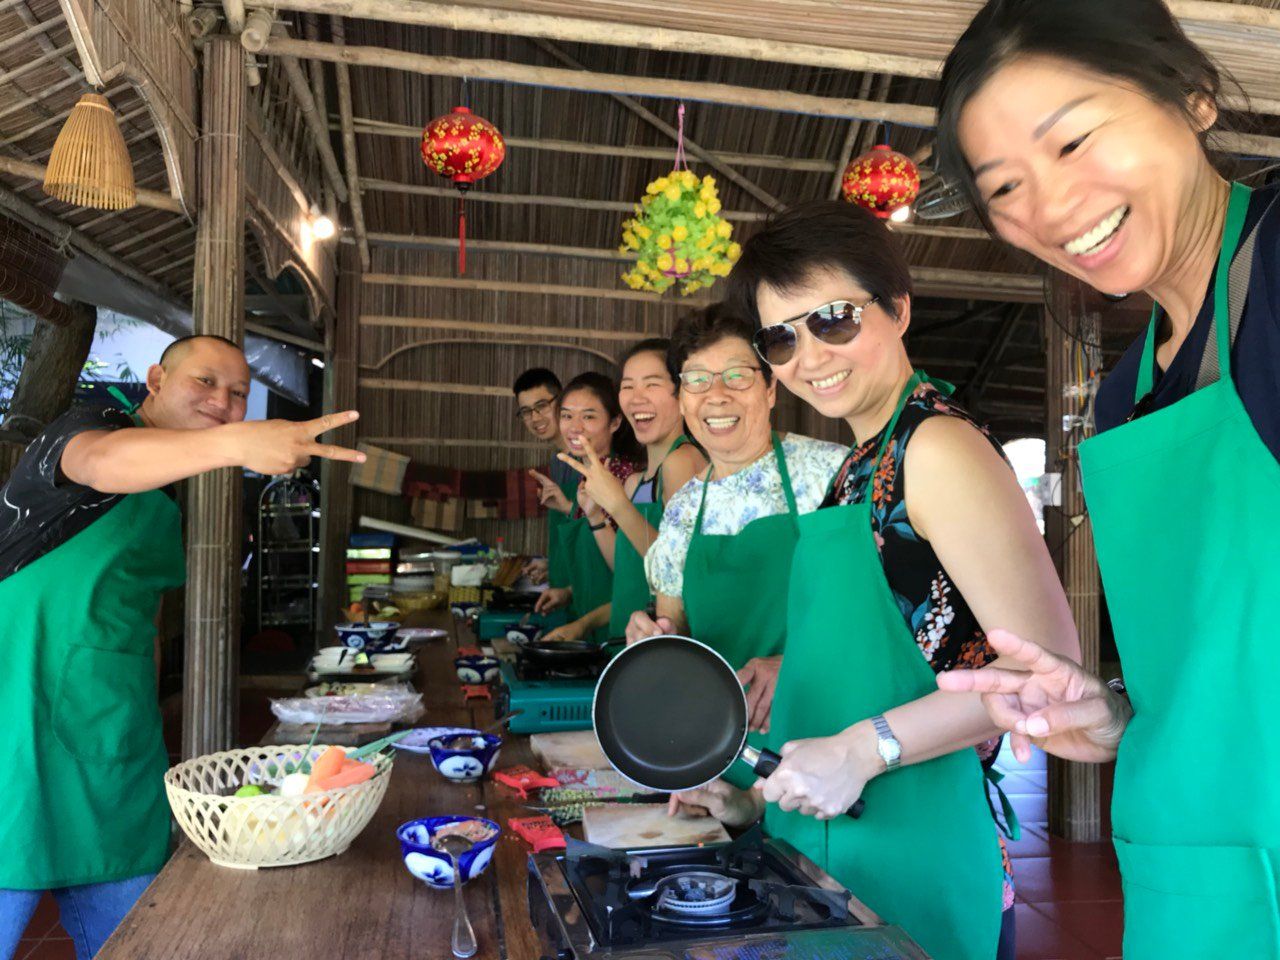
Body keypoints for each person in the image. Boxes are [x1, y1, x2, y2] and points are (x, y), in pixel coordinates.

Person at [930, 2, 1280, 956]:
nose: (1049, 207)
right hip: (1199, 882)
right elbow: (1223, 662)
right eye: (1006, 188)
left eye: (1075, 139)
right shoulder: (1128, 395)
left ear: (1191, 94)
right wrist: (1118, 712)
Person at [662, 200, 1078, 960]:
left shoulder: (936, 446)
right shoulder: (857, 470)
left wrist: (863, 750)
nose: (809, 355)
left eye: (835, 319)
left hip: (910, 848)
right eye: (781, 337)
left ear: (898, 309)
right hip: (823, 847)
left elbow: (1043, 673)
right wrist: (751, 799)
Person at [0, 335, 364, 960]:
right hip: (14, 717)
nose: (223, 401)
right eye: (205, 382)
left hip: (107, 725)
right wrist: (240, 443)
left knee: (147, 933)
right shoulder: (90, 427)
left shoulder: (165, 485)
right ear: (156, 380)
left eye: (239, 395)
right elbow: (100, 461)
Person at [626, 305, 848, 785]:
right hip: (726, 757)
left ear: (770, 389)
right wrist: (653, 642)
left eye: (737, 376)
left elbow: (887, 617)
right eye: (697, 380)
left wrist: (798, 662)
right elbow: (676, 633)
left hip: (835, 747)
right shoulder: (684, 510)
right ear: (683, 400)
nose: (716, 396)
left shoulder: (833, 476)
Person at [541, 339, 706, 644]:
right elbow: (629, 570)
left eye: (652, 384)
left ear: (682, 393)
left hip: (661, 643)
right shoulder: (636, 480)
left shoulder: (681, 460)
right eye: (628, 386)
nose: (635, 398)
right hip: (627, 637)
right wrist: (595, 515)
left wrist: (617, 505)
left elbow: (682, 569)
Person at [533, 372, 639, 642]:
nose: (574, 427)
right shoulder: (583, 479)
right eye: (567, 416)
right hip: (588, 628)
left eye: (589, 416)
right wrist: (568, 591)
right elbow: (597, 572)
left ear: (615, 422)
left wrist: (583, 625)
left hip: (621, 633)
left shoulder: (626, 479)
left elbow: (634, 579)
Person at [513, 367, 572, 586]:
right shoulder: (557, 461)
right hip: (567, 590)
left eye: (542, 406)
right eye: (526, 411)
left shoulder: (587, 459)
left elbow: (600, 529)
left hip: (594, 590)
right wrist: (553, 564)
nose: (535, 418)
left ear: (561, 400)